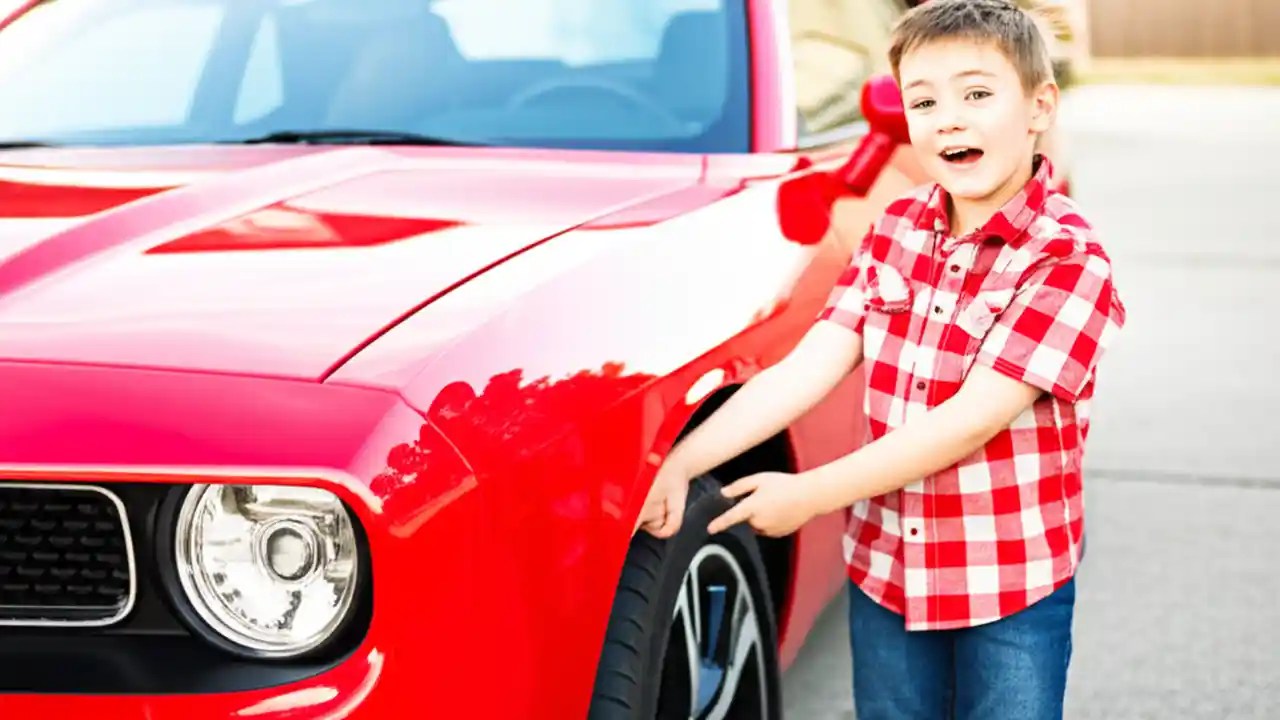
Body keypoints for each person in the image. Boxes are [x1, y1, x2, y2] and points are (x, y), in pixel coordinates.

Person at [634, 1, 1126, 717]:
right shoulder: (896, 228)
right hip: (888, 570)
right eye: (923, 102)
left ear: (1039, 106)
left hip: (1008, 585)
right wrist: (680, 460)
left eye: (977, 94)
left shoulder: (1067, 260)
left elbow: (968, 422)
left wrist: (809, 495)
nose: (948, 118)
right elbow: (811, 365)